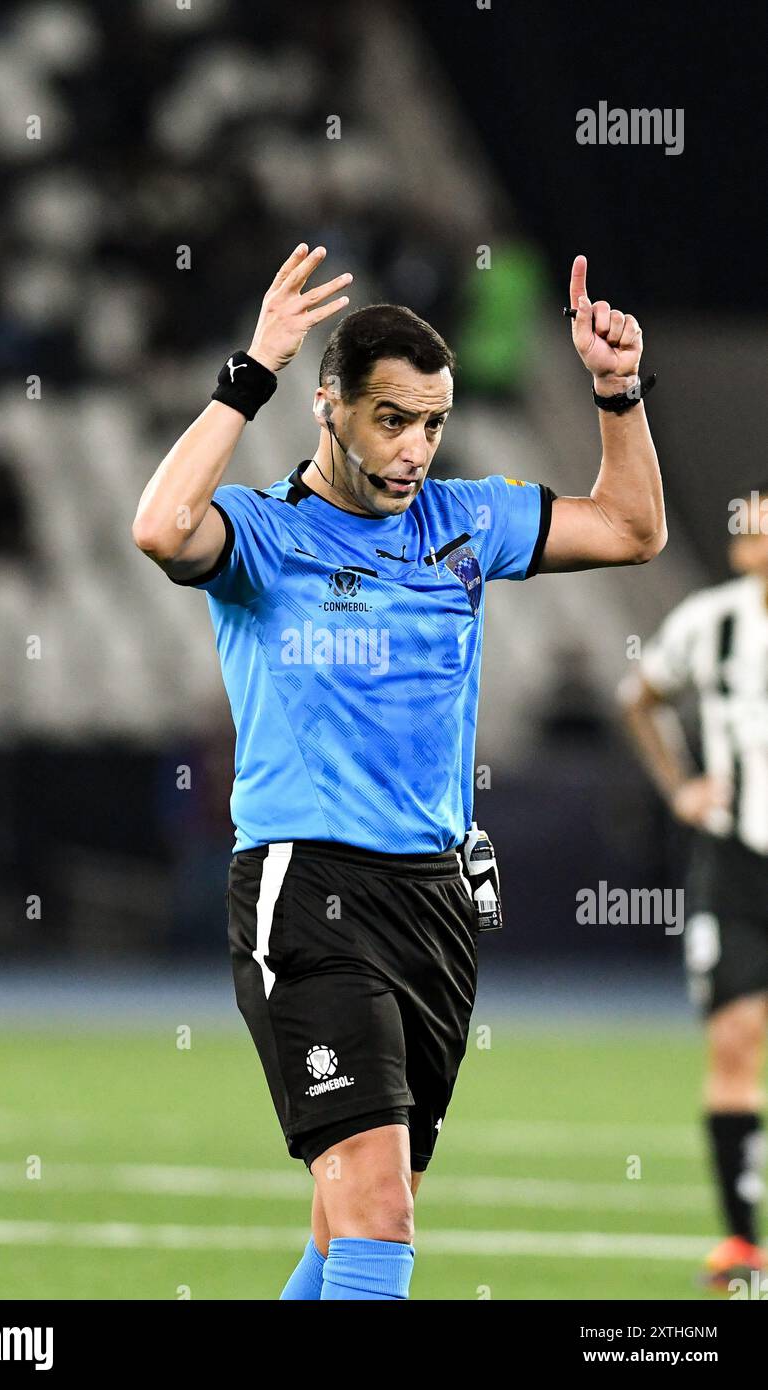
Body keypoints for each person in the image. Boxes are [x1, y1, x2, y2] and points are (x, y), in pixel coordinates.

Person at [133, 243, 665, 1299]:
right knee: (380, 1212)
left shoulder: (461, 521)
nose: (417, 448)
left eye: (432, 423)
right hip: (307, 890)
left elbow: (633, 529)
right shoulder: (265, 534)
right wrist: (250, 371)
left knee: (344, 1230)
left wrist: (615, 390)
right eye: (391, 420)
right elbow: (158, 527)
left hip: (432, 899)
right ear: (329, 406)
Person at [619, 486, 768, 1288]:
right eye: (744, 517)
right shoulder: (710, 621)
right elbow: (637, 697)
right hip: (735, 863)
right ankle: (743, 1243)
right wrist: (680, 787)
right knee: (735, 1041)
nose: (749, 526)